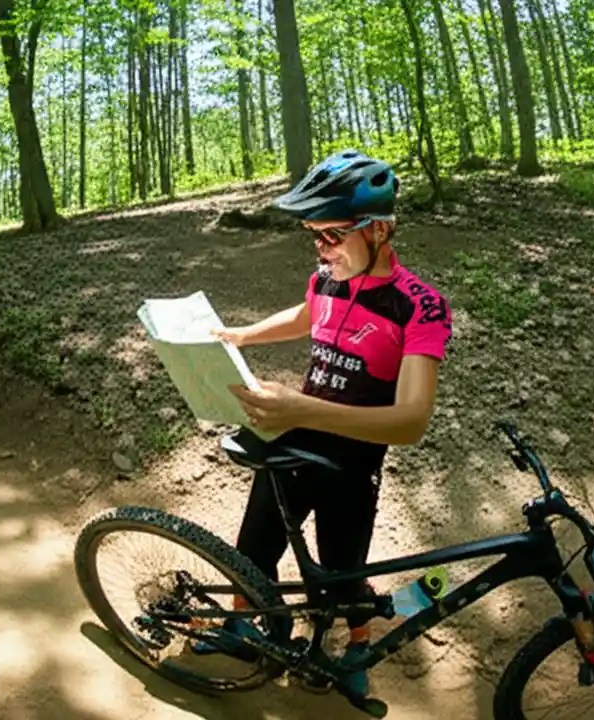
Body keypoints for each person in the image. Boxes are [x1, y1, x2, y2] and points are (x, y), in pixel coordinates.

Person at [200, 150, 453, 697]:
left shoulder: (420, 307)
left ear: (380, 229)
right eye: (313, 236)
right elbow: (306, 312)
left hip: (353, 459)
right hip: (294, 439)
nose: (321, 249)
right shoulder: (329, 278)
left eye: (331, 236)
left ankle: (357, 645)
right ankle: (245, 625)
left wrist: (301, 408)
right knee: (255, 545)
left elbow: (410, 422)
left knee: (341, 572)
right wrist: (241, 335)